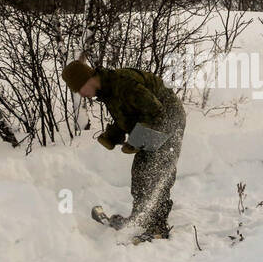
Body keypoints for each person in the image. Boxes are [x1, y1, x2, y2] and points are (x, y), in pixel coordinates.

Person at [61, 60, 186, 242]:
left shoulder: (123, 83)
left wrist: (136, 140)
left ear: (88, 80)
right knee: (140, 171)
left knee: (156, 170)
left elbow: (156, 112)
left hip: (169, 119)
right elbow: (128, 115)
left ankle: (157, 225)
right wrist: (113, 134)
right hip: (155, 121)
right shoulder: (108, 91)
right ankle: (142, 217)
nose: (81, 94)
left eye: (80, 89)